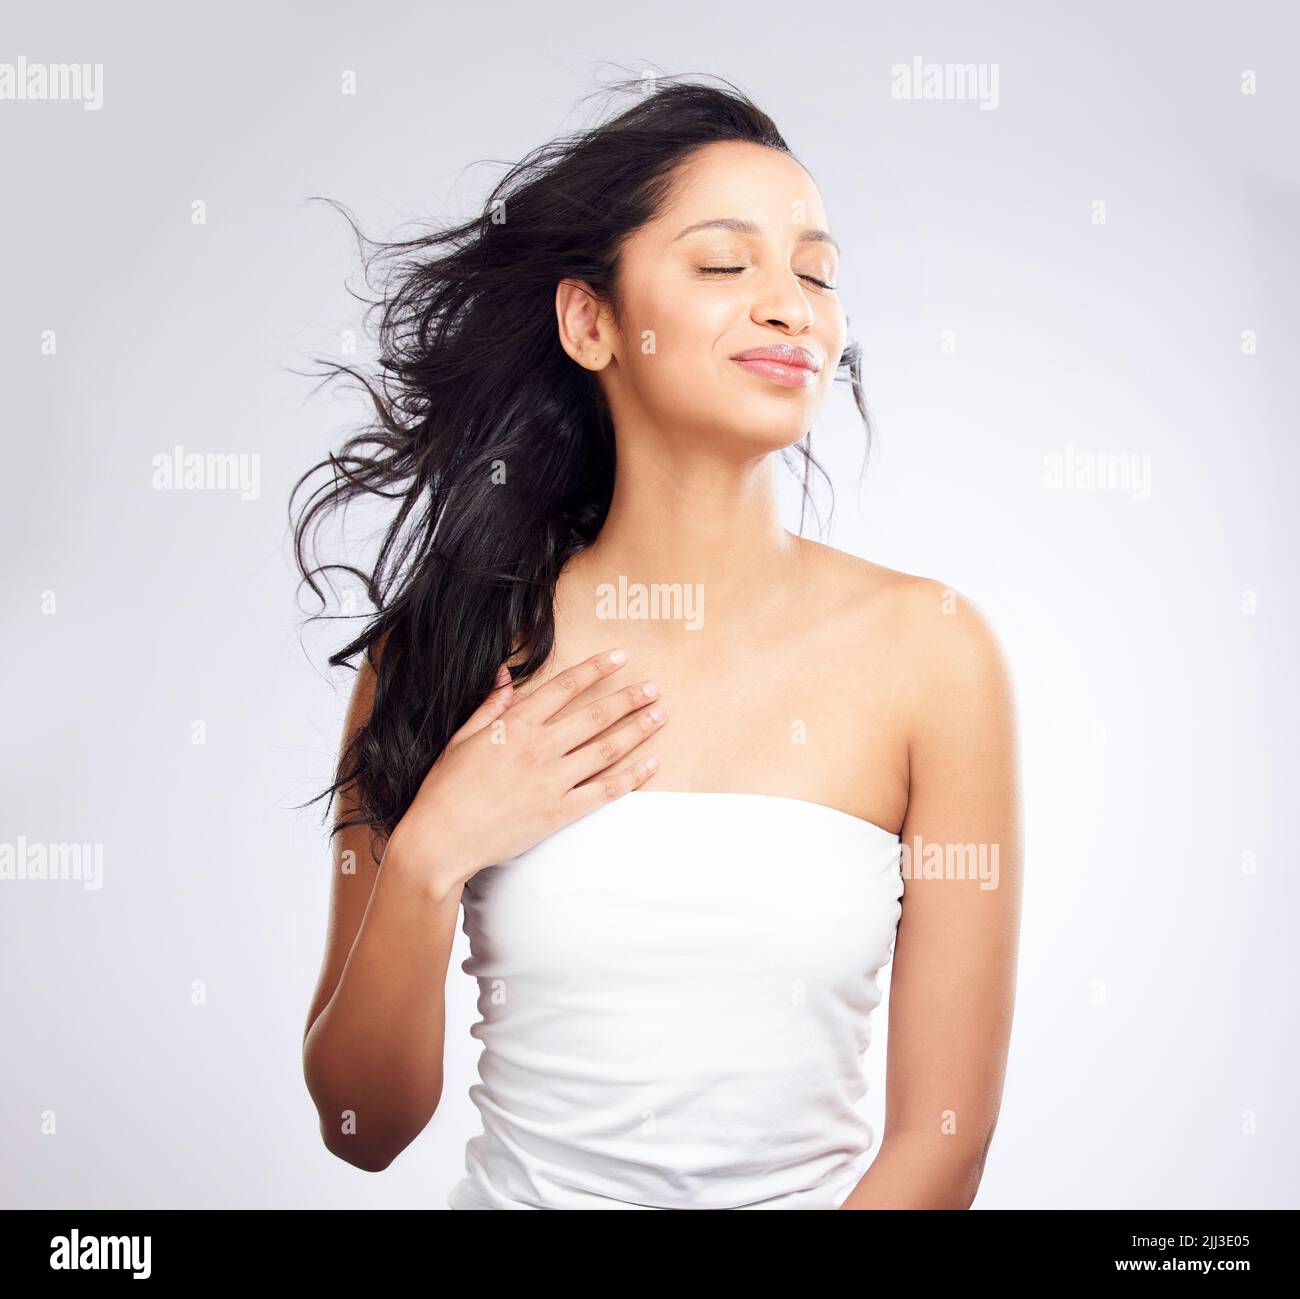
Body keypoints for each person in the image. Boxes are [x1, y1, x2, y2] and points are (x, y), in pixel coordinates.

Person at [297, 74, 1022, 1209]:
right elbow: (361, 1127)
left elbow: (944, 1143)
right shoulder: (444, 646)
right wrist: (431, 857)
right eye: (726, 265)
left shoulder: (931, 653)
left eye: (817, 272)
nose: (792, 307)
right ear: (592, 322)